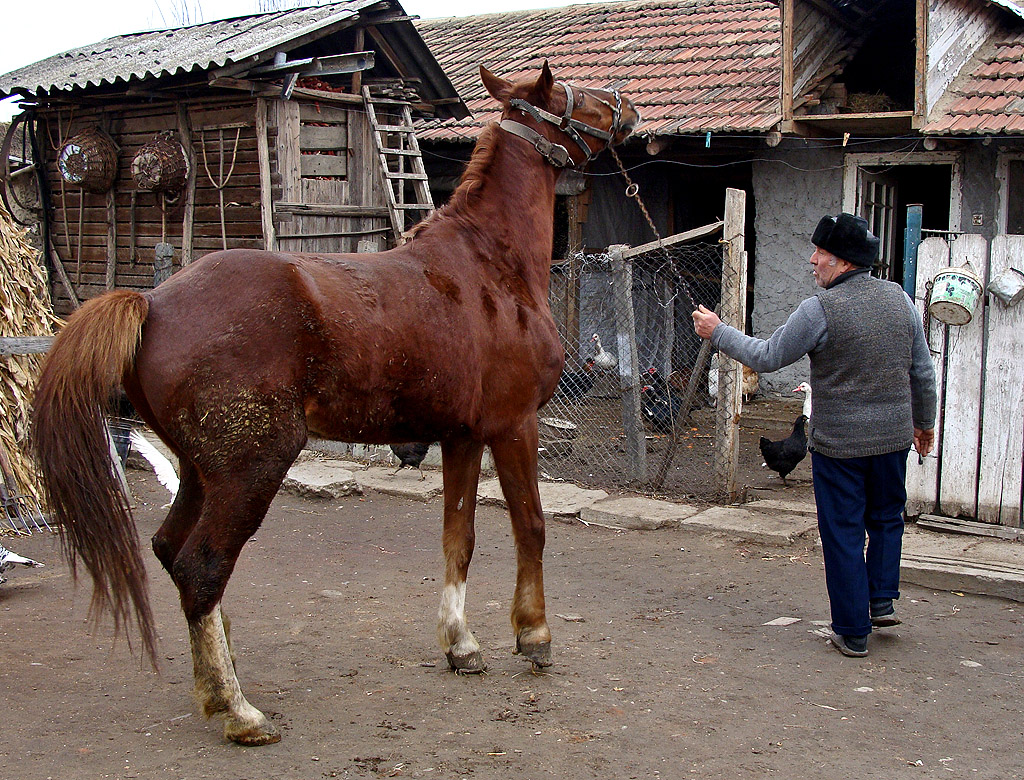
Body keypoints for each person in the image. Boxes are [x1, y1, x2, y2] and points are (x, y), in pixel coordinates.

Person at [692, 213, 936, 658]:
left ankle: (853, 630)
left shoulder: (819, 310)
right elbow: (921, 371)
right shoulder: (900, 301)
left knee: (842, 531)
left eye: (819, 253)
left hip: (839, 446)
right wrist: (924, 424)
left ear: (840, 261)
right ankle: (881, 600)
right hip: (893, 440)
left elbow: (766, 357)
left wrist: (718, 332)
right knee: (885, 519)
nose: (812, 260)